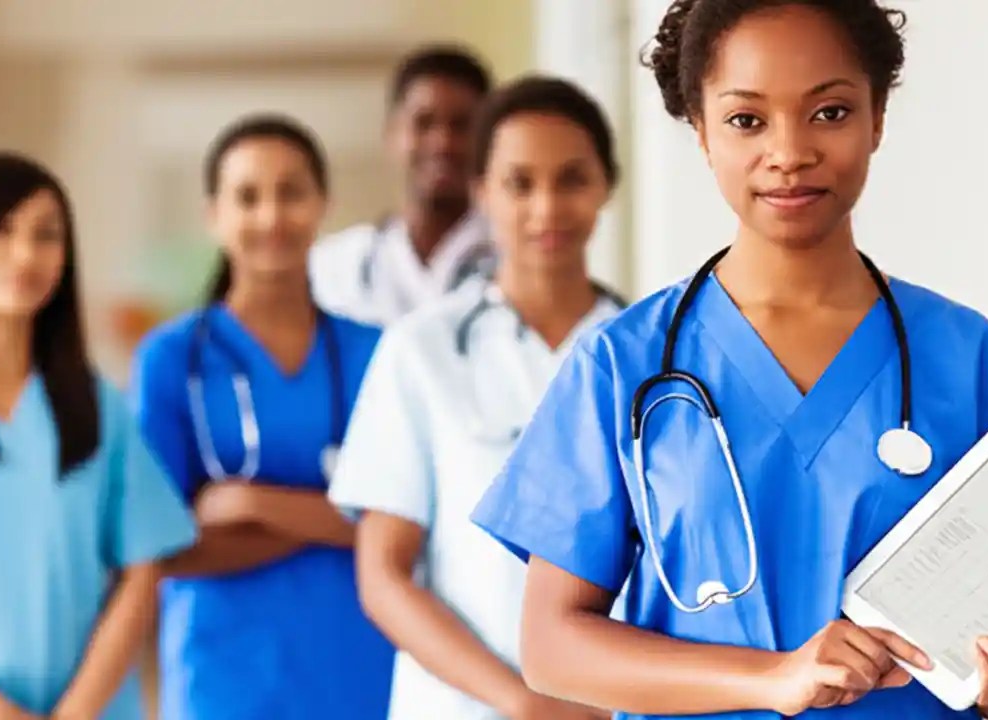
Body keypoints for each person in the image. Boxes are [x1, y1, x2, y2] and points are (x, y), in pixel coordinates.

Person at [470, 2, 988, 719]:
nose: (789, 152)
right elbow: (552, 647)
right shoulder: (621, 364)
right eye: (746, 120)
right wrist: (771, 678)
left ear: (877, 117)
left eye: (830, 112)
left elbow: (983, 639)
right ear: (700, 132)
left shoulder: (967, 361)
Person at [329, 76, 625, 720]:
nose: (546, 209)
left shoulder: (649, 355)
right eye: (520, 183)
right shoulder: (421, 349)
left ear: (607, 185)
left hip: (614, 706)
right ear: (481, 192)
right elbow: (383, 576)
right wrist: (519, 699)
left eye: (571, 179)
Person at [0, 153, 196, 720]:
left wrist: (76, 712)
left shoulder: (96, 407)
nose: (26, 254)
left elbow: (142, 572)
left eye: (46, 235)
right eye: (0, 230)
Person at [132, 115, 394, 720]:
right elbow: (163, 546)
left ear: (322, 203)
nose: (272, 217)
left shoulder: (379, 353)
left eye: (291, 192)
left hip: (355, 668)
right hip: (222, 677)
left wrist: (251, 504)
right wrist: (343, 516)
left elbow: (405, 522)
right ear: (213, 215)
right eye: (248, 197)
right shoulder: (171, 359)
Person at [309, 45, 495, 326]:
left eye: (461, 125)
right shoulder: (335, 268)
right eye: (424, 123)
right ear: (392, 134)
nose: (442, 143)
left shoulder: (517, 263)